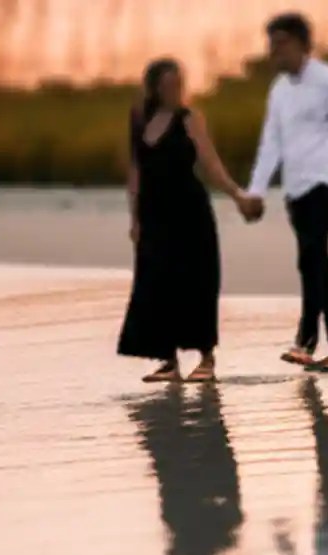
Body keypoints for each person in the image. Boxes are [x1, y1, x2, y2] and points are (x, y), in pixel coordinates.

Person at [118, 58, 261, 383]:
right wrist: (135, 218)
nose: (174, 91)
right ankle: (168, 360)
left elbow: (211, 164)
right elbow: (135, 171)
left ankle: (206, 358)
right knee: (155, 283)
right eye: (168, 85)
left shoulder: (190, 118)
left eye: (178, 85)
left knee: (196, 282)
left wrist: (237, 195)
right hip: (154, 215)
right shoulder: (140, 118)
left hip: (189, 213)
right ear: (154, 87)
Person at [243, 13, 328, 372]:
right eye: (272, 46)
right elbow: (271, 144)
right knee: (312, 260)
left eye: (281, 44)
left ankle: (307, 342)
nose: (275, 52)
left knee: (312, 255)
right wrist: (256, 190)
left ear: (302, 44)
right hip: (295, 188)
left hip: (325, 184)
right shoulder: (279, 91)